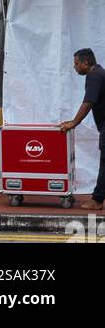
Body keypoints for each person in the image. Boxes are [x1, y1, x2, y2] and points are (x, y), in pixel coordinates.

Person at [59, 47, 105, 211]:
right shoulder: (100, 72)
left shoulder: (94, 76)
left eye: (76, 63)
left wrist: (74, 123)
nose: (75, 67)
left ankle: (97, 200)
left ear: (86, 63)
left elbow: (88, 102)